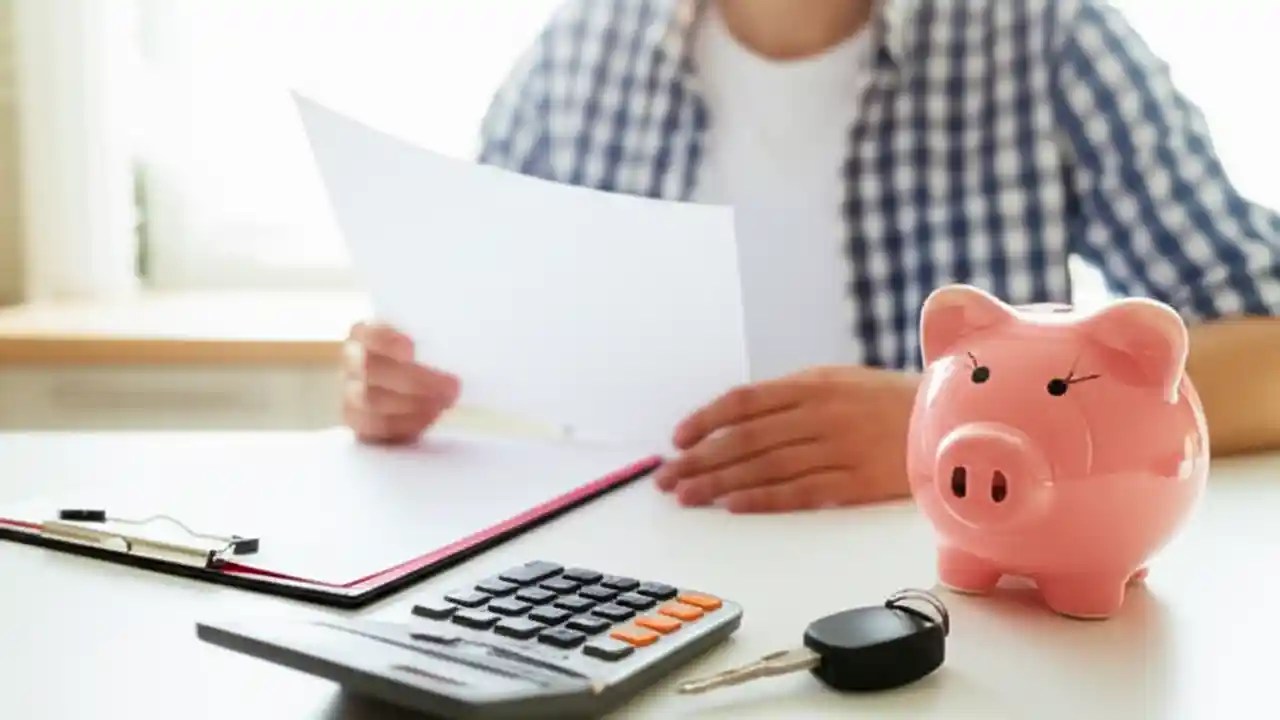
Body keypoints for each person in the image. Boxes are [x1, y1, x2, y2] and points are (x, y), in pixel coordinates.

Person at [342, 0, 1280, 513]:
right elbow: (464, 316)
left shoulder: (1044, 35)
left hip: (943, 594)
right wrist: (395, 382)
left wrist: (934, 426)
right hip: (619, 580)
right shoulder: (581, 47)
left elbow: (1270, 354)